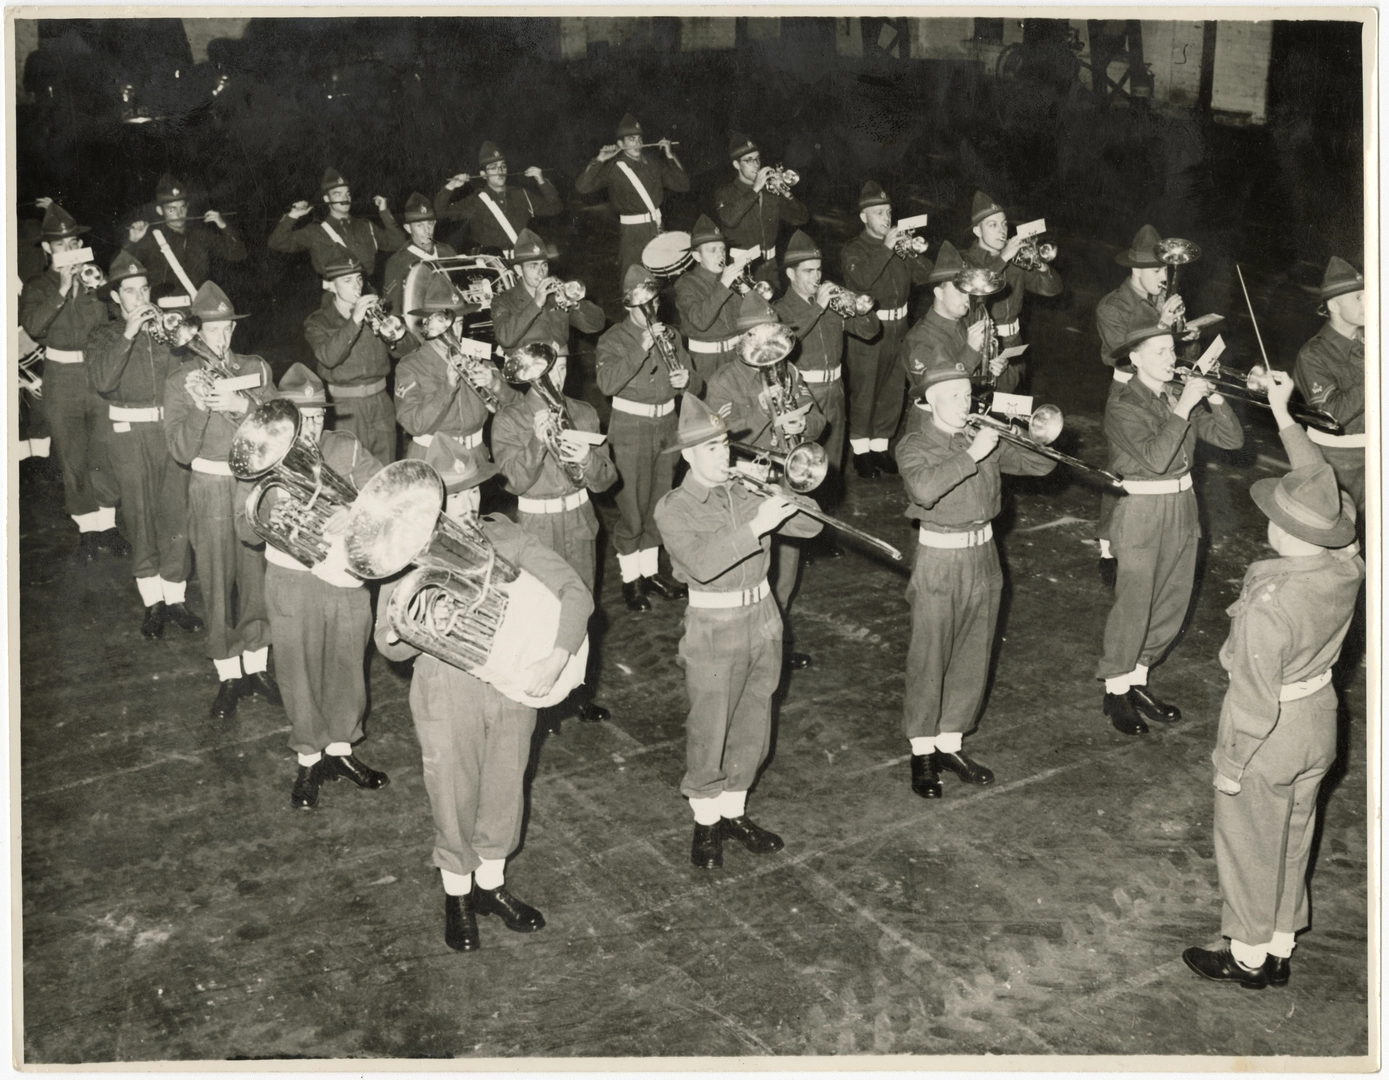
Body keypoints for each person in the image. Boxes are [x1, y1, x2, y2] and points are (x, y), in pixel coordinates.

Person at [374, 440, 593, 952]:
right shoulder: (407, 552)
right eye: (455, 496)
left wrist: (558, 655)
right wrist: (409, 629)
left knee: (505, 781)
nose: (468, 505)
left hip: (513, 678)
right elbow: (391, 647)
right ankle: (456, 893)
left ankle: (491, 884)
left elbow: (575, 591)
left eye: (473, 491)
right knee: (453, 789)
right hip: (447, 686)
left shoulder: (506, 536)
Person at [1182, 373, 1363, 989]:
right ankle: (1281, 944)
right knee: (1293, 835)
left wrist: (1230, 761)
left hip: (1270, 732)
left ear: (1285, 533)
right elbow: (1324, 489)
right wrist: (1286, 418)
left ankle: (1247, 956)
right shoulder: (1346, 563)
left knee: (1247, 843)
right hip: (1320, 720)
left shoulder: (1272, 603)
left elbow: (1253, 695)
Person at [654, 395, 821, 870]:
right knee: (711, 724)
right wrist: (756, 526)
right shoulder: (675, 508)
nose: (725, 455)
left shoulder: (745, 488)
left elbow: (809, 528)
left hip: (763, 615)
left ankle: (734, 811)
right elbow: (703, 565)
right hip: (714, 623)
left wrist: (786, 488)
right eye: (711, 449)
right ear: (688, 455)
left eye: (725, 444)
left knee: (753, 720)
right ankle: (706, 821)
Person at [896, 360, 1055, 798]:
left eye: (967, 394)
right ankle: (922, 751)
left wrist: (1028, 433)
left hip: (985, 553)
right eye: (953, 395)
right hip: (940, 557)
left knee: (973, 650)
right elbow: (924, 489)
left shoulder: (978, 434)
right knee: (931, 655)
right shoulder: (914, 444)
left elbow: (1041, 467)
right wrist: (974, 454)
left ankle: (951, 742)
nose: (965, 403)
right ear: (927, 402)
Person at [244, 364, 390, 810]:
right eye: (301, 418)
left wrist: (359, 511)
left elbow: (387, 493)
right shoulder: (261, 455)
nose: (312, 426)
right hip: (291, 575)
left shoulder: (345, 448)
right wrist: (280, 516)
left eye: (318, 416)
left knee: (348, 660)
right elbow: (246, 530)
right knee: (297, 667)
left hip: (344, 574)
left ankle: (342, 751)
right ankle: (309, 756)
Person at [1097, 311, 1244, 735]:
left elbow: (1232, 440)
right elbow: (1158, 458)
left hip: (1182, 505)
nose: (1171, 357)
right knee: (1135, 605)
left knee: (1171, 604)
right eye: (1160, 352)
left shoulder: (1175, 394)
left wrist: (1213, 397)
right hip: (1142, 511)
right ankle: (1115, 689)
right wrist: (1185, 404)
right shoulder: (1123, 405)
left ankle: (1136, 680)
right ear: (1136, 359)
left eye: (1172, 350)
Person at [163, 281, 280, 721]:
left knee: (256, 577)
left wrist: (238, 404)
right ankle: (228, 673)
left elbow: (275, 422)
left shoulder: (255, 367)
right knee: (215, 579)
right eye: (211, 330)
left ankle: (257, 666)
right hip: (210, 485)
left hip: (252, 483)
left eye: (227, 328)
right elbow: (178, 450)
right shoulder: (179, 380)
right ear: (195, 331)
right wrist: (201, 405)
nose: (221, 338)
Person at [493, 344, 618, 730]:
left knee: (581, 604)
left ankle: (578, 692)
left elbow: (607, 480)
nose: (556, 378)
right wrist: (536, 440)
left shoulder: (582, 412)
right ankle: (539, 704)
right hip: (537, 525)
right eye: (547, 371)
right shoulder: (509, 419)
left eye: (561, 368)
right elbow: (513, 480)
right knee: (540, 612)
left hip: (579, 517)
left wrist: (587, 460)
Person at [706, 292, 824, 671]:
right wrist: (766, 418)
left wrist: (802, 423)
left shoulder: (788, 371)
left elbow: (819, 417)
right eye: (758, 336)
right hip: (747, 483)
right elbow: (725, 436)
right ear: (742, 341)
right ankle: (745, 650)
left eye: (773, 334)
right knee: (752, 569)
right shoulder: (724, 381)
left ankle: (777, 647)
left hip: (786, 479)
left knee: (786, 570)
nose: (768, 345)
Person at [85, 253, 199, 639]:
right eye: (130, 291)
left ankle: (177, 598)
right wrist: (129, 333)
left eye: (144, 289)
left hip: (168, 430)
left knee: (176, 517)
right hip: (128, 435)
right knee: (140, 516)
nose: (140, 297)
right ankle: (153, 602)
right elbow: (102, 381)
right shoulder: (103, 335)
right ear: (116, 297)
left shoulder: (167, 329)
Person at [18, 202, 125, 560]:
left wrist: (102, 288)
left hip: (97, 374)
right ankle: (88, 530)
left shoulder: (93, 277)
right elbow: (34, 327)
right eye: (62, 245)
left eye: (74, 242)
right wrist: (63, 288)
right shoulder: (37, 286)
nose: (70, 250)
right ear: (48, 248)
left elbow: (113, 320)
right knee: (72, 455)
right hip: (62, 377)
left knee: (104, 451)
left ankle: (108, 526)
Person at [595, 264, 700, 612]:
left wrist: (689, 381)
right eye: (642, 305)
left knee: (659, 504)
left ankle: (651, 573)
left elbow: (695, 382)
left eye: (653, 302)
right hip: (630, 429)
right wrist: (640, 349)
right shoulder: (612, 339)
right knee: (633, 509)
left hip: (665, 425)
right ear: (627, 306)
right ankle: (630, 580)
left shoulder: (671, 333)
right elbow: (607, 385)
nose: (650, 310)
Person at [1093, 225, 1190, 585]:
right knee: (1122, 469)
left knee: (1159, 458)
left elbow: (1166, 353)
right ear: (1135, 270)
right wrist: (1162, 323)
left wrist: (1183, 334)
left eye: (1166, 271)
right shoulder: (1112, 305)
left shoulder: (1158, 299)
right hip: (1127, 392)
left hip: (1160, 387)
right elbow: (1126, 356)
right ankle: (1108, 547)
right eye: (1156, 271)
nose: (1164, 279)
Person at [774, 229, 878, 524]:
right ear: (791, 274)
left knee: (832, 460)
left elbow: (870, 332)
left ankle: (826, 526)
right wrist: (818, 308)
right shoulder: (781, 309)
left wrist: (859, 307)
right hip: (804, 392)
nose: (815, 277)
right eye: (808, 272)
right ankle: (804, 529)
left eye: (818, 270)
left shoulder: (832, 303)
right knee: (806, 461)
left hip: (835, 387)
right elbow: (786, 340)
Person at [841, 181, 933, 478]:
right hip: (869, 326)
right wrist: (886, 249)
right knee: (866, 389)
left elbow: (926, 275)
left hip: (900, 324)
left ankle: (880, 446)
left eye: (889, 212)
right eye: (878, 212)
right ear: (863, 218)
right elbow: (863, 281)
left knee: (893, 390)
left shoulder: (897, 247)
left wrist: (910, 252)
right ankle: (860, 450)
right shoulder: (854, 250)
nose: (886, 218)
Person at [395, 276, 519, 463]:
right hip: (433, 456)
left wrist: (495, 385)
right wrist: (448, 387)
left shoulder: (477, 353)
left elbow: (515, 405)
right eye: (446, 326)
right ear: (428, 324)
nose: (455, 333)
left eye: (459, 324)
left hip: (476, 454)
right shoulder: (410, 366)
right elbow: (414, 424)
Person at [303, 256, 406, 464]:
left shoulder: (376, 312)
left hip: (380, 403)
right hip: (344, 409)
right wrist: (354, 321)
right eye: (347, 280)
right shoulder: (318, 321)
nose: (357, 286)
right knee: (347, 470)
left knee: (385, 472)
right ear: (330, 285)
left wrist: (390, 336)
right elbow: (328, 358)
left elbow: (403, 352)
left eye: (359, 279)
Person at [961, 191, 1062, 390]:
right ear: (977, 231)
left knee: (1011, 407)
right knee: (985, 404)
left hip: (1014, 345)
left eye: (1004, 224)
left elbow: (1053, 290)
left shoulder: (1016, 260)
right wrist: (1003, 258)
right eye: (993, 225)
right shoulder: (966, 260)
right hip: (984, 346)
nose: (1002, 231)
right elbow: (975, 289)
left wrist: (1040, 265)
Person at [573, 113, 689, 277]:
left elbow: (683, 185)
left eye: (639, 139)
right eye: (631, 139)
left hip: (658, 226)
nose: (638, 144)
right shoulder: (614, 168)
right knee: (633, 278)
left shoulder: (654, 162)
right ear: (620, 144)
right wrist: (600, 159)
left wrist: (670, 156)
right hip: (632, 233)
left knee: (662, 275)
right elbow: (582, 187)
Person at [1293, 256, 1365, 517]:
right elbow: (1332, 414)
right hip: (1338, 462)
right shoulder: (1314, 355)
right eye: (1358, 298)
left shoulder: (1373, 340)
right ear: (1334, 304)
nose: (1368, 303)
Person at [904, 241, 1014, 397]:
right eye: (960, 291)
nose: (968, 299)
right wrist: (971, 351)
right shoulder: (918, 339)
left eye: (968, 291)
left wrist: (996, 368)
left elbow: (987, 384)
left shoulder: (967, 322)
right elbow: (941, 392)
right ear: (939, 293)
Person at [121, 173, 246, 299]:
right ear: (160, 210)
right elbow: (123, 273)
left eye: (182, 208)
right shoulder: (151, 240)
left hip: (200, 307)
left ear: (187, 207)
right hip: (167, 312)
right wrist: (132, 241)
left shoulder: (200, 235)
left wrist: (223, 225)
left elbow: (238, 254)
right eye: (171, 209)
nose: (179, 214)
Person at [268, 167, 407, 279]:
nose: (345, 198)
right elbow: (276, 242)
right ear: (327, 199)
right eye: (337, 194)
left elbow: (399, 242)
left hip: (367, 295)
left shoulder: (366, 226)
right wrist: (292, 216)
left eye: (347, 193)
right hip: (336, 302)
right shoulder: (316, 231)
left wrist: (384, 211)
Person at [434, 143, 563, 257]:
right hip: (492, 267)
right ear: (483, 175)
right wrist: (450, 187)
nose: (500, 171)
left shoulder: (521, 195)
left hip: (521, 261)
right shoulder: (476, 200)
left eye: (503, 166)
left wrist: (541, 181)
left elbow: (555, 208)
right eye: (493, 167)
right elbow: (440, 212)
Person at [714, 132, 809, 287]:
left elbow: (801, 219)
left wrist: (786, 193)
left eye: (757, 159)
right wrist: (755, 189)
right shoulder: (725, 192)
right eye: (749, 161)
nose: (756, 164)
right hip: (742, 267)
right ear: (737, 165)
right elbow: (729, 219)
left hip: (770, 267)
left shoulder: (769, 191)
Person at [490, 229, 606, 356]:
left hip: (560, 368)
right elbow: (505, 339)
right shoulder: (503, 301)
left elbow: (597, 324)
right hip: (528, 370)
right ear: (519, 270)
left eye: (544, 265)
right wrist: (536, 303)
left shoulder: (555, 295)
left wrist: (575, 302)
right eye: (533, 266)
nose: (541, 272)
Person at [673, 215, 753, 384]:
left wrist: (750, 297)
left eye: (722, 249)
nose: (720, 255)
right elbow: (700, 320)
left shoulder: (730, 279)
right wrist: (723, 285)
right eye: (712, 250)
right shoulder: (686, 284)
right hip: (705, 362)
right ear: (696, 256)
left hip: (736, 357)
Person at [382, 192, 458, 317]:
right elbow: (393, 308)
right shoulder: (398, 261)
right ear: (408, 228)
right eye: (419, 225)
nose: (427, 230)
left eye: (430, 224)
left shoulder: (446, 251)